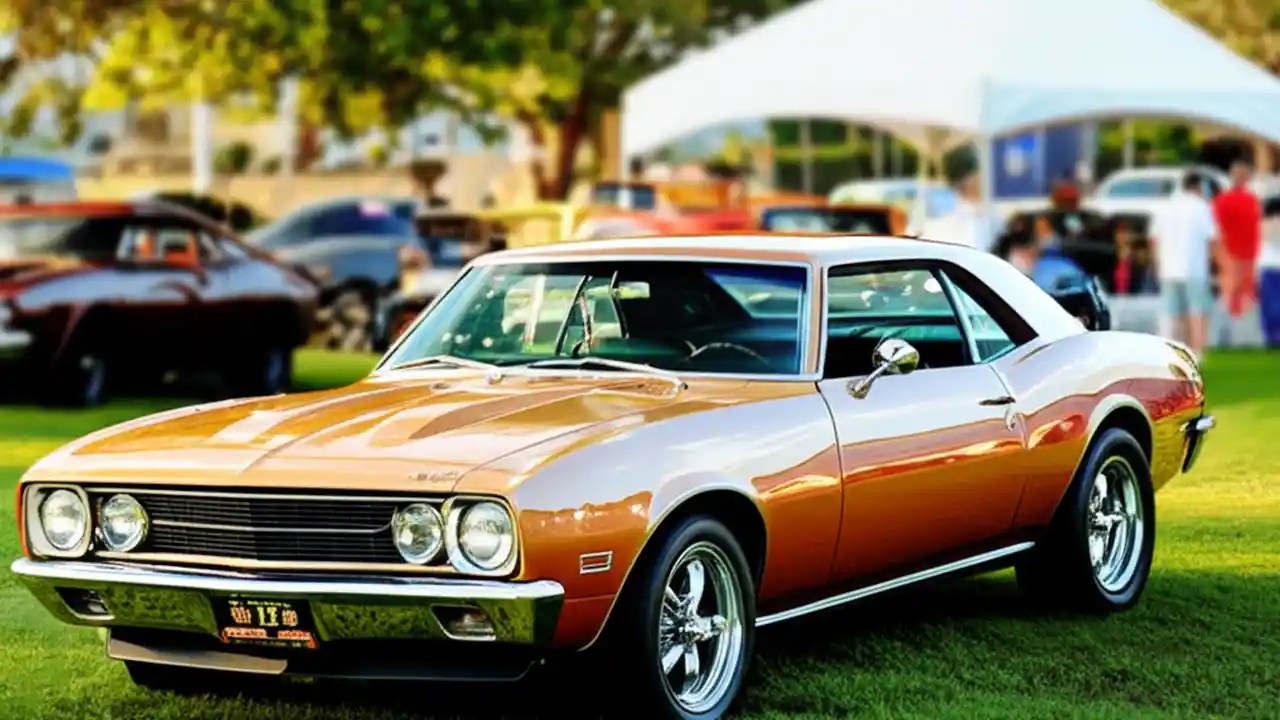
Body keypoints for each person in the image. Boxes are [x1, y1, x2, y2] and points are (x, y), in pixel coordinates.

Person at [1149, 172, 1220, 355]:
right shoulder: (1201, 207)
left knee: (1170, 311)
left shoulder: (1165, 206)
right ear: (1198, 187)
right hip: (1194, 268)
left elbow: (1154, 238)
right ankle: (1196, 352)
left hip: (1168, 268)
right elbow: (1212, 238)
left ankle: (1169, 351)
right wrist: (1213, 264)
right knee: (1197, 311)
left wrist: (1157, 263)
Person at [1213, 161, 1262, 318]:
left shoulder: (1221, 200)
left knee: (1229, 287)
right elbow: (1256, 226)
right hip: (1247, 250)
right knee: (1246, 289)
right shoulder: (1252, 200)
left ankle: (1228, 320)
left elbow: (1215, 227)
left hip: (1228, 250)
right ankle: (1243, 324)